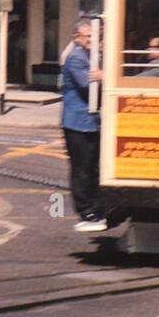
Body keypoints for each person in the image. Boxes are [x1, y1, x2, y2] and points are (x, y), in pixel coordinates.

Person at [62, 20, 107, 232]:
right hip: (77, 124)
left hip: (92, 123)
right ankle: (86, 210)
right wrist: (106, 77)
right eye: (87, 36)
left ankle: (97, 208)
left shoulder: (95, 57)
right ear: (77, 39)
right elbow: (88, 86)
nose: (91, 40)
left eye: (94, 36)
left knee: (94, 168)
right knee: (82, 169)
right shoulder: (76, 59)